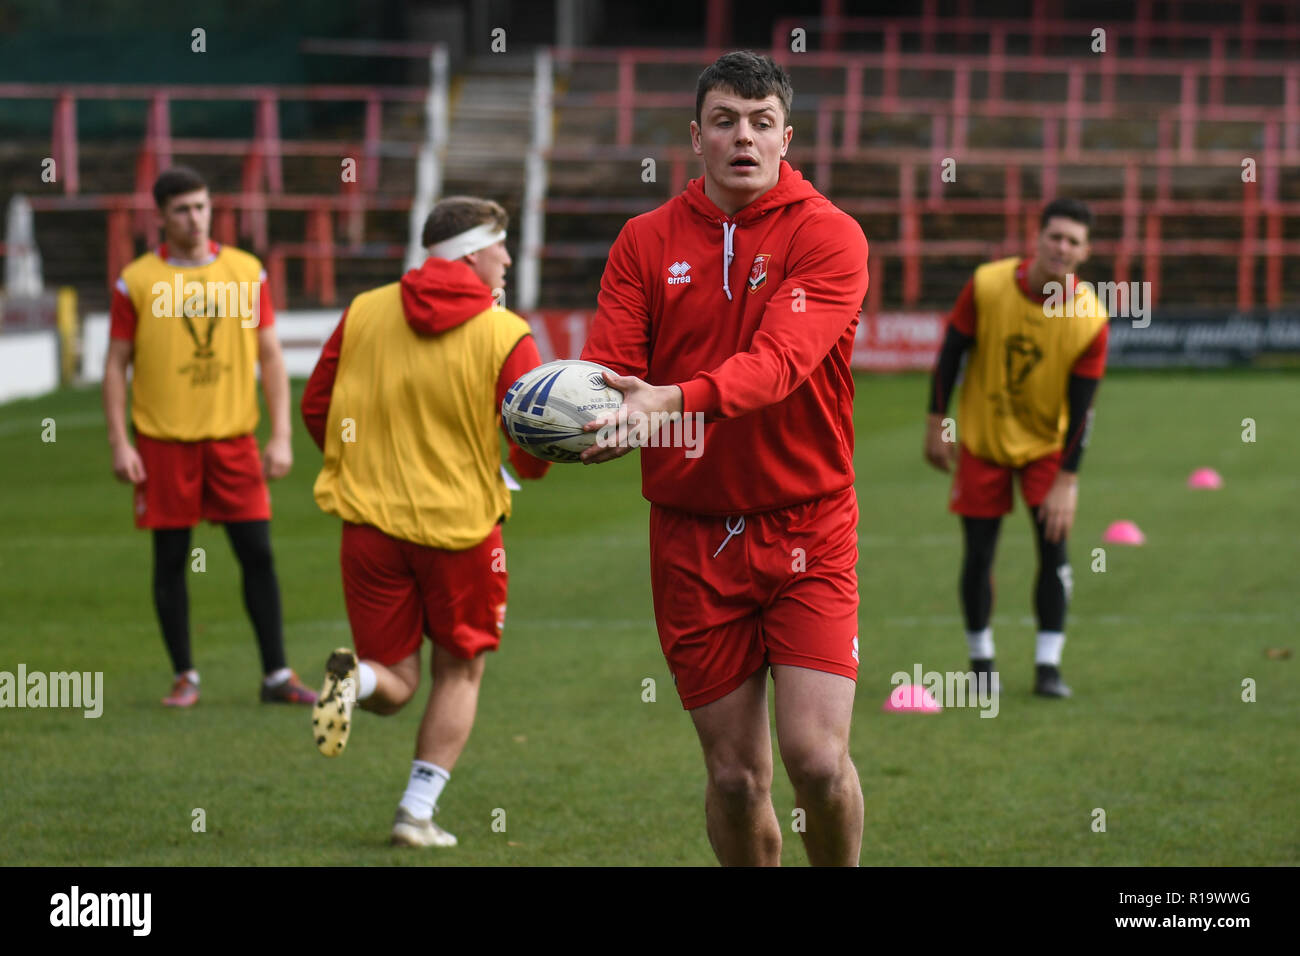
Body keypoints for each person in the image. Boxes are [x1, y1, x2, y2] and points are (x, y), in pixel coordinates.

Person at [578, 51, 870, 867]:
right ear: (696, 137)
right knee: (737, 779)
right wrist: (590, 417)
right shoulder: (643, 241)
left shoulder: (829, 235)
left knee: (815, 760)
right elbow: (611, 364)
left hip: (807, 524)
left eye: (760, 121)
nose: (743, 136)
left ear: (786, 136)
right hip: (691, 534)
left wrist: (667, 402)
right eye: (725, 121)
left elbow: (779, 362)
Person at [302, 196, 550, 848]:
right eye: (501, 246)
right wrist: (525, 466)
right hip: (461, 531)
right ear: (471, 252)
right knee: (460, 671)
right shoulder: (505, 332)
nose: (508, 259)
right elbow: (534, 436)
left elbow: (316, 406)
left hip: (367, 527)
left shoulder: (363, 311)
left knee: (395, 678)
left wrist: (364, 464)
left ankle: (352, 681)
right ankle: (415, 812)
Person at [103, 166, 317, 708]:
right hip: (163, 443)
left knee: (258, 552)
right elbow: (115, 364)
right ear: (161, 217)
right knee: (171, 559)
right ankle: (185, 676)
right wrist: (119, 442)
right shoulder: (137, 280)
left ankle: (276, 676)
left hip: (233, 441)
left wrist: (282, 435)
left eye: (201, 207)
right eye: (182, 210)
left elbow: (270, 355)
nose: (195, 219)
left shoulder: (247, 272)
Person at [923, 198, 1109, 699]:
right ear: (1038, 237)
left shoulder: (1090, 319)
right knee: (979, 552)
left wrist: (1067, 480)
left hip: (1047, 446)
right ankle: (981, 662)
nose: (1062, 248)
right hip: (984, 439)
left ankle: (1048, 668)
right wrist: (937, 422)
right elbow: (951, 353)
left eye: (1073, 241)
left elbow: (1083, 407)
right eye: (1055, 237)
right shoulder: (987, 285)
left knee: (1054, 549)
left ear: (1085, 252)